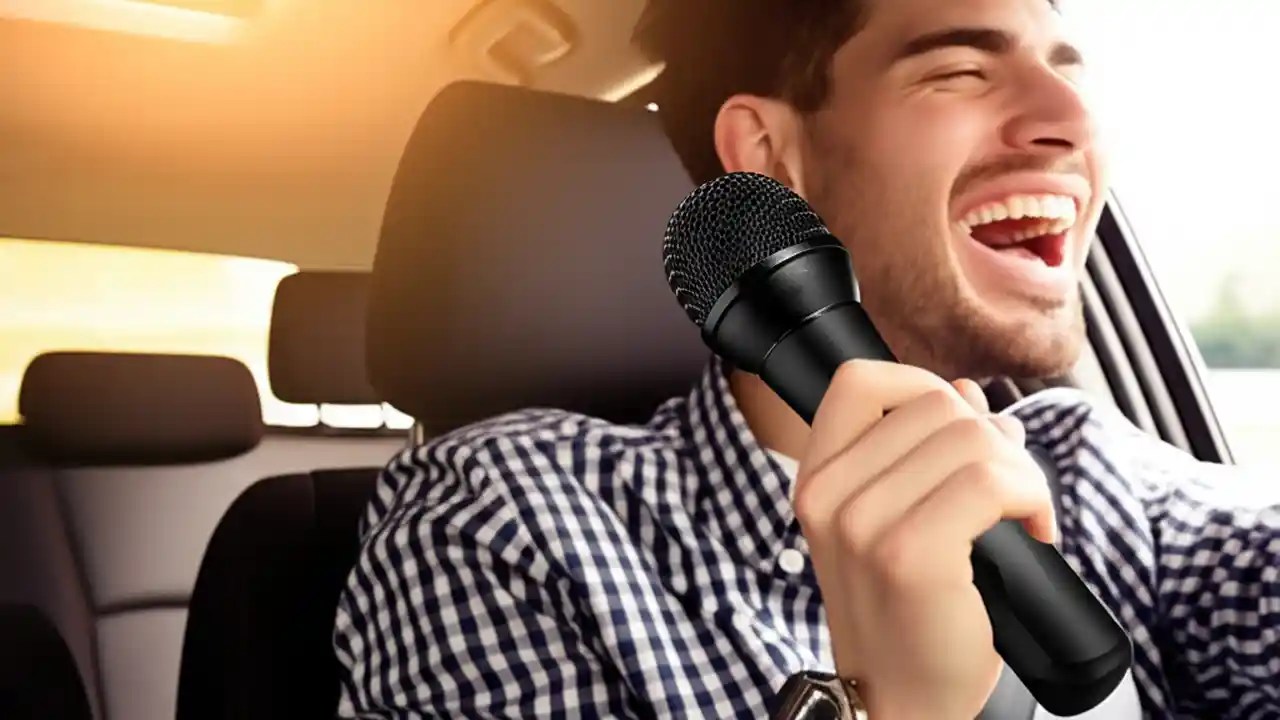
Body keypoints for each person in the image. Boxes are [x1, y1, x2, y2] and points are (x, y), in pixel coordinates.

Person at [333, 0, 1280, 717]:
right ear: (768, 155)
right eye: (958, 72)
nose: (1072, 117)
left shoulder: (1095, 467)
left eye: (1070, 73)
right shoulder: (504, 515)